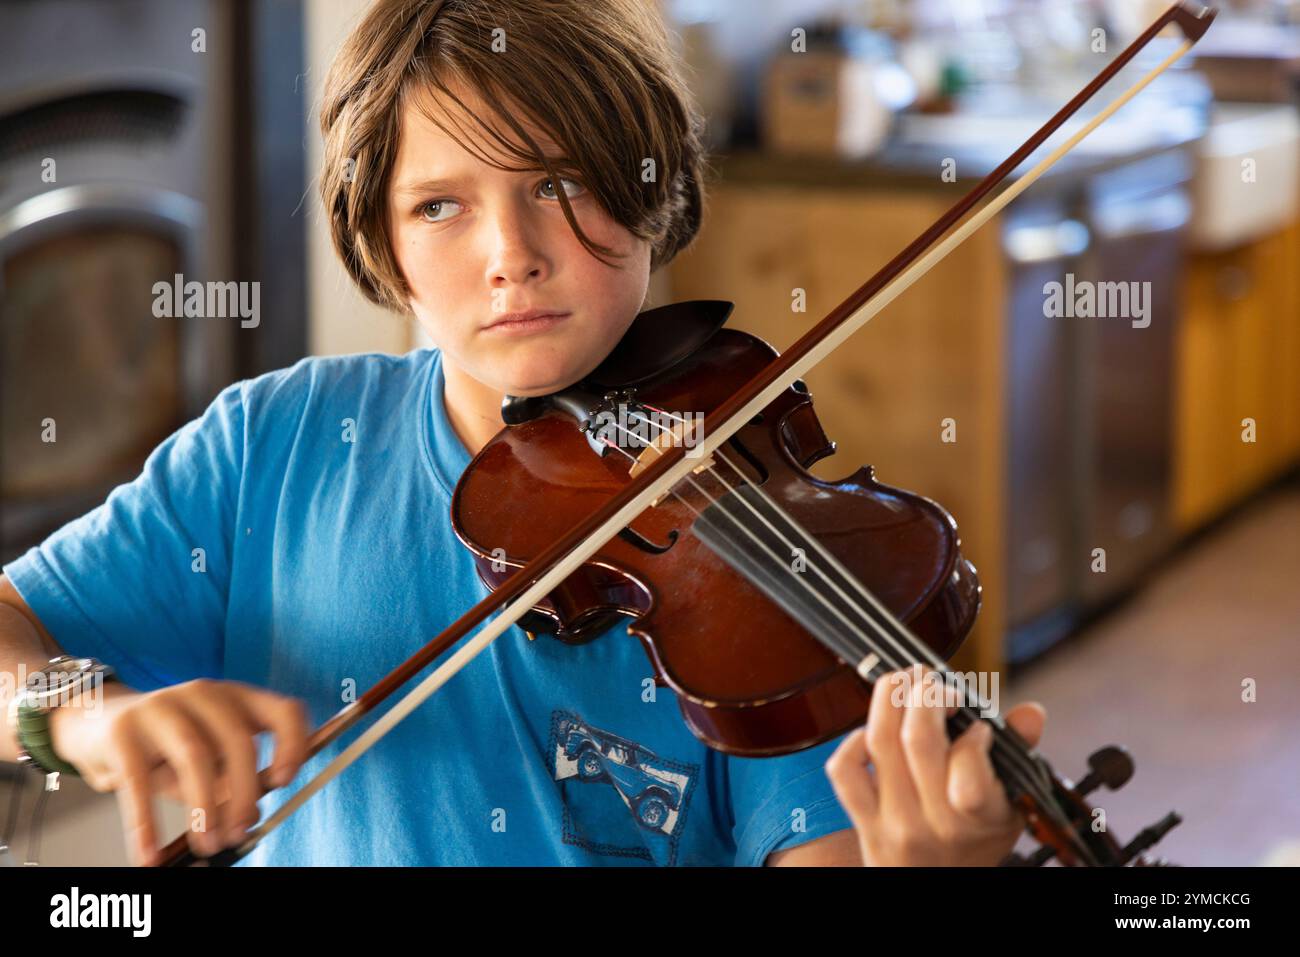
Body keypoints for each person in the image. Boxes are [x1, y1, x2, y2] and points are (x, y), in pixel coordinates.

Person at [0, 0, 1045, 867]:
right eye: (441, 207)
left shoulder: (760, 561)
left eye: (559, 183)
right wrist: (79, 714)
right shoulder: (270, 446)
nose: (512, 254)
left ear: (655, 193)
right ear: (382, 242)